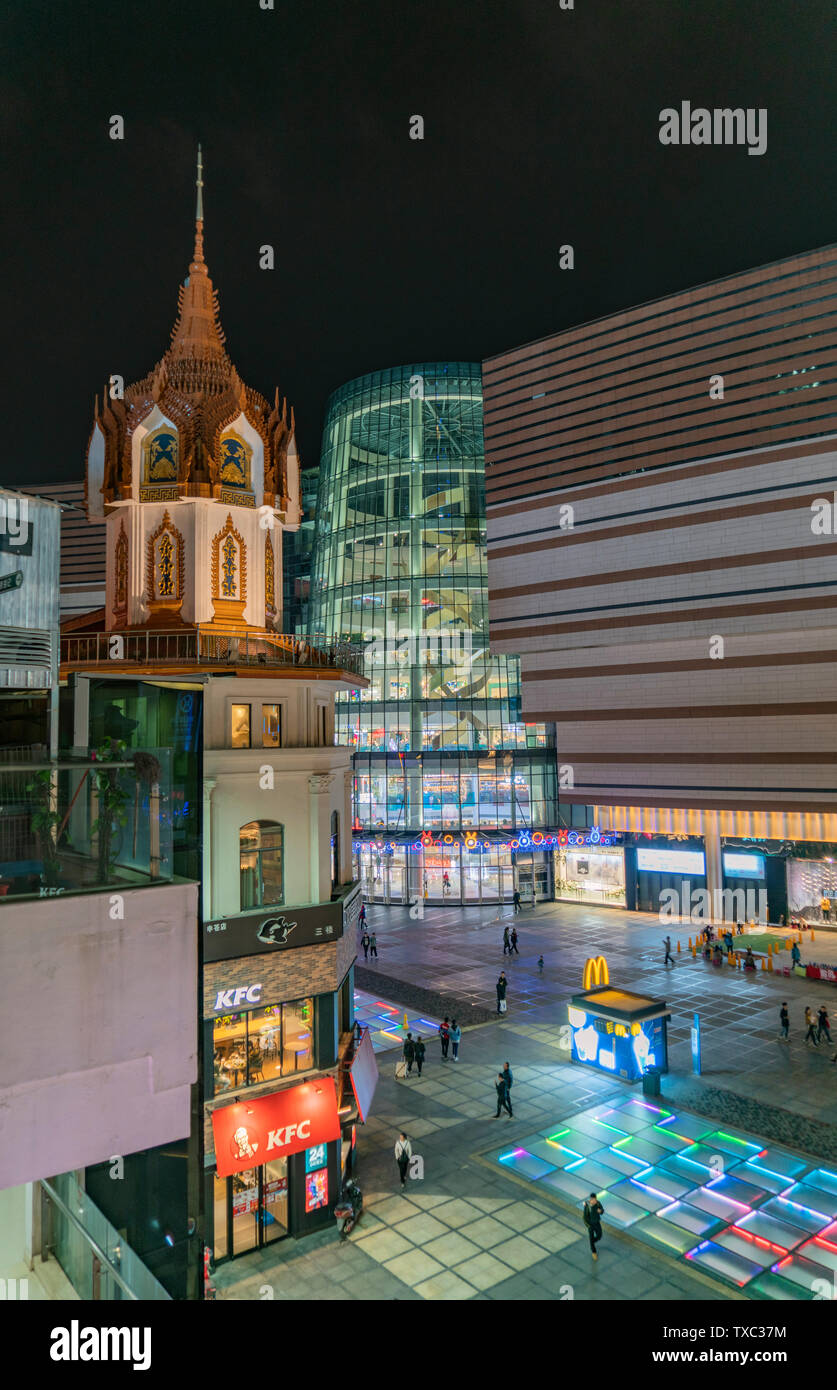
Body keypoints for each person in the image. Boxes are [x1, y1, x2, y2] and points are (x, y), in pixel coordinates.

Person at [583, 1192, 604, 1260]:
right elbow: (585, 1217)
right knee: (591, 1236)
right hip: (590, 1224)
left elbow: (602, 1210)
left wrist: (600, 1211)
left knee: (599, 1235)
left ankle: (592, 1241)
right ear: (590, 1199)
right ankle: (594, 1252)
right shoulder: (587, 1206)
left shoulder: (598, 1203)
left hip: (597, 1222)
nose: (594, 1201)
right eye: (593, 1199)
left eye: (595, 1199)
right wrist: (588, 1225)